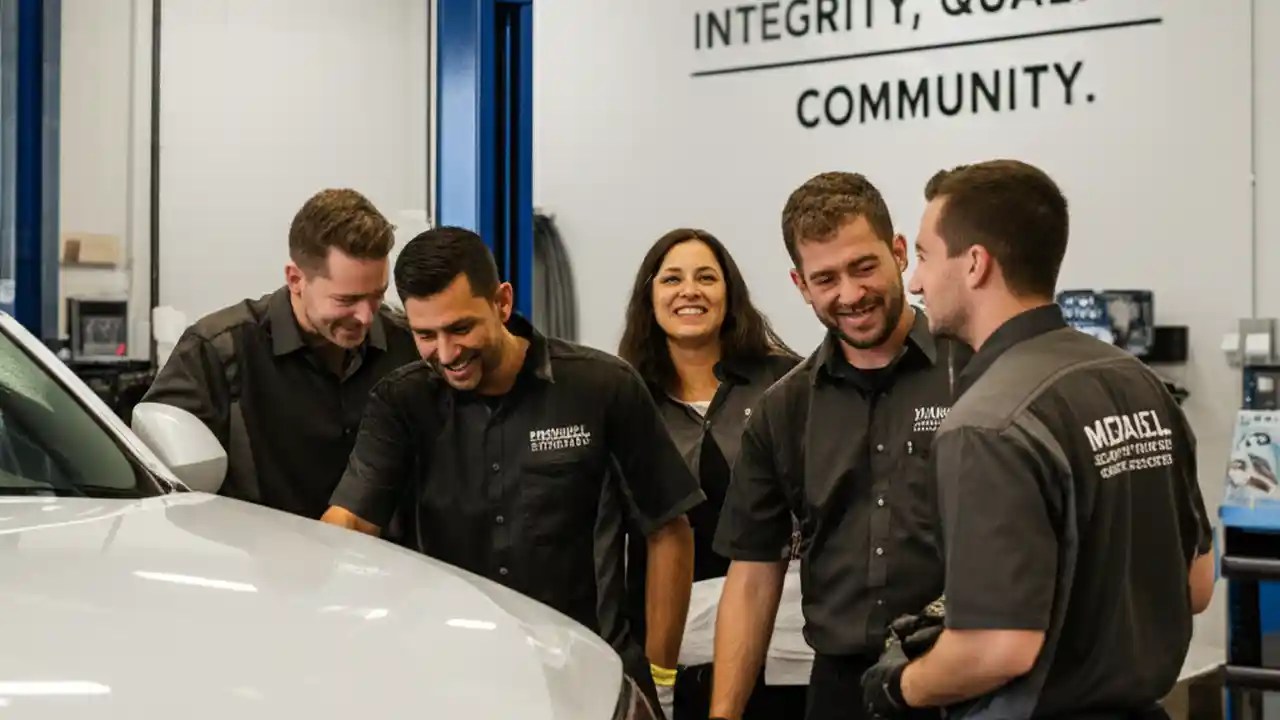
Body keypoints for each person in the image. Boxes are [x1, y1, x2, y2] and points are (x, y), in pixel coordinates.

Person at [859, 159, 1215, 719]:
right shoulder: (1141, 384)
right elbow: (1196, 586)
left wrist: (899, 686)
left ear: (975, 264)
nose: (915, 281)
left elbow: (997, 648)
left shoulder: (985, 424)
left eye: (925, 256)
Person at [319, 226, 703, 709]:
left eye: (460, 328)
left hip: (591, 676)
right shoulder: (402, 402)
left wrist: (660, 673)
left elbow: (669, 528)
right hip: (456, 677)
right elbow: (351, 522)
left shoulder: (601, 387)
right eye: (425, 335)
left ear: (502, 302)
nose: (446, 353)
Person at [709, 171, 971, 720]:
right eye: (825, 278)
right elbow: (754, 577)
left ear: (899, 252)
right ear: (801, 285)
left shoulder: (976, 373)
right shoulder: (784, 410)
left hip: (967, 680)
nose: (850, 295)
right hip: (841, 690)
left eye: (864, 266)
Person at [614, 228, 805, 719]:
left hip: (789, 653)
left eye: (706, 277)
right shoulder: (623, 398)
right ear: (649, 297)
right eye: (672, 278)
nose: (689, 291)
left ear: (730, 293)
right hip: (674, 659)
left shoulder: (786, 384)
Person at [141, 188, 418, 519]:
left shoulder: (406, 344)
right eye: (346, 300)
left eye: (377, 295)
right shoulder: (216, 351)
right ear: (295, 278)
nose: (366, 316)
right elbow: (157, 484)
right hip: (258, 563)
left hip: (390, 566)